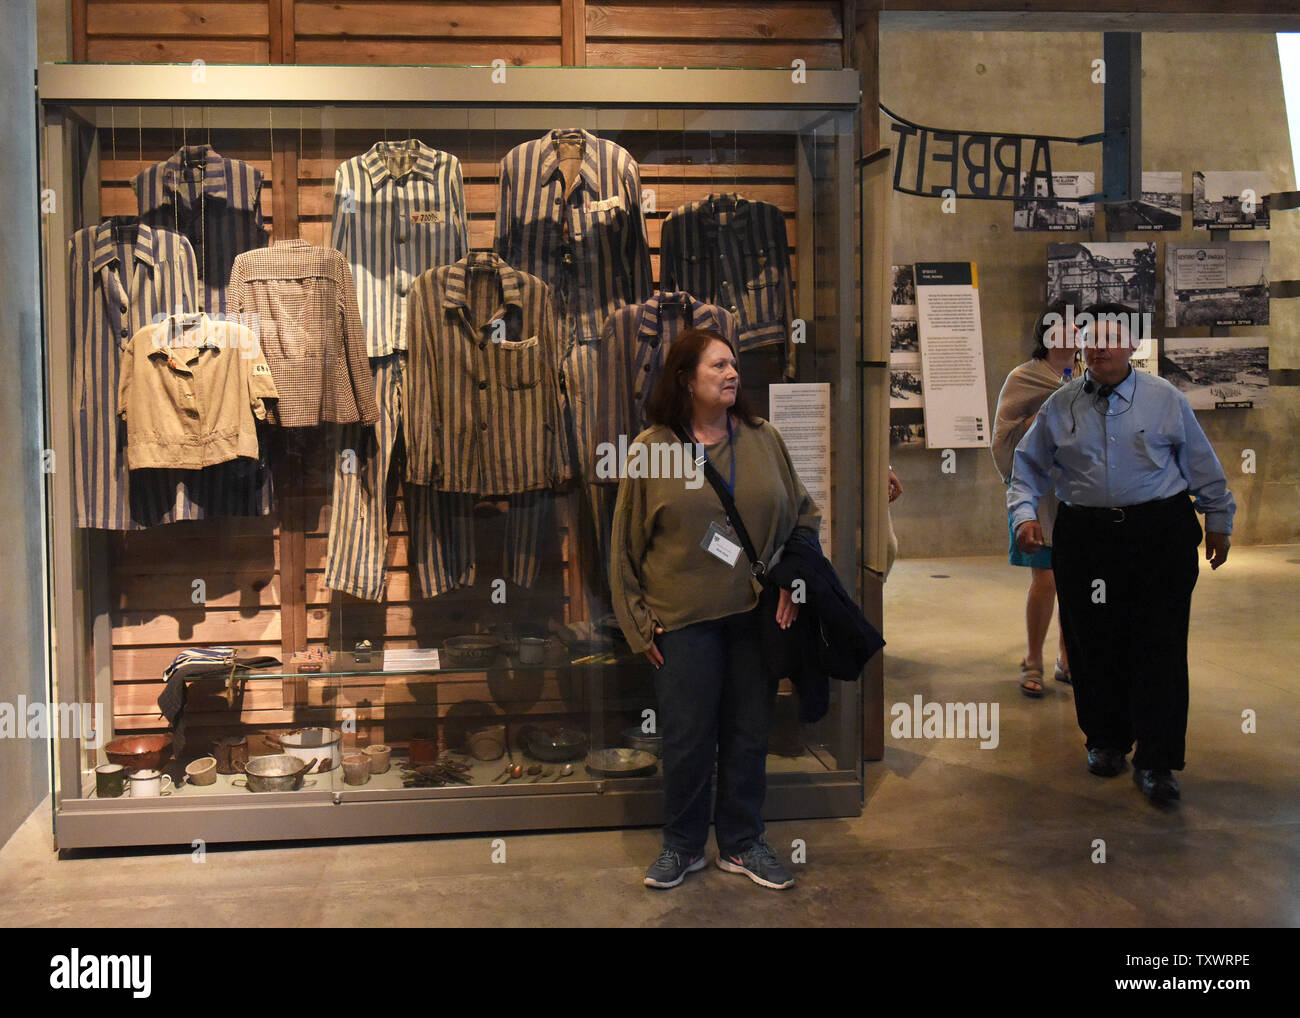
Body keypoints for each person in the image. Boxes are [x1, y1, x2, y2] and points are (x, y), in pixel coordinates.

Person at [609, 328, 820, 889]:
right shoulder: (652, 450)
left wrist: (791, 583)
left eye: (734, 365)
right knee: (686, 738)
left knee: (750, 733)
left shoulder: (762, 437)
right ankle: (682, 846)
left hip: (757, 619)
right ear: (685, 378)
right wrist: (637, 624)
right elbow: (624, 549)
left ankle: (743, 843)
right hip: (680, 625)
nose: (732, 374)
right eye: (718, 365)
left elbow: (805, 516)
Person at [1008, 304, 1234, 805]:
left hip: (1158, 534)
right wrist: (1024, 514)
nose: (1100, 347)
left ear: (1133, 346)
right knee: (1093, 643)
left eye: (1112, 338)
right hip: (1086, 537)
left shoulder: (1165, 399)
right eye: (1091, 338)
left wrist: (1217, 519)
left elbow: (1201, 463)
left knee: (1160, 645)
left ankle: (1157, 760)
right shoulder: (1061, 404)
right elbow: (1027, 466)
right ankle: (1106, 741)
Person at [991, 301, 1080, 696]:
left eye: (1076, 327)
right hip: (1039, 497)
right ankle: (1033, 659)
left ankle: (1067, 657)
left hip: (1078, 495)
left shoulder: (1087, 376)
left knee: (1075, 580)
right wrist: (1043, 415)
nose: (1070, 335)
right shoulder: (1023, 378)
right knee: (1045, 578)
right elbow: (1003, 438)